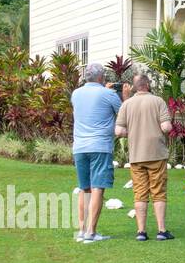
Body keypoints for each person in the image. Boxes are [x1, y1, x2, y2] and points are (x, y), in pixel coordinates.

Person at [115, 73, 175, 241]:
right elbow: (166, 127)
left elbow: (118, 131)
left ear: (134, 87)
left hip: (136, 155)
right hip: (156, 154)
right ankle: (161, 230)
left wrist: (133, 132)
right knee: (158, 192)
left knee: (140, 193)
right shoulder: (158, 101)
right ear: (147, 85)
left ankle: (141, 231)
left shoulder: (127, 104)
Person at [71, 63, 124, 243]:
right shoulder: (108, 94)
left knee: (84, 188)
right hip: (100, 146)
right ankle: (91, 233)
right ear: (101, 77)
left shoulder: (76, 94)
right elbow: (123, 114)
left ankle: (81, 230)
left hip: (80, 147)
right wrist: (122, 95)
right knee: (97, 188)